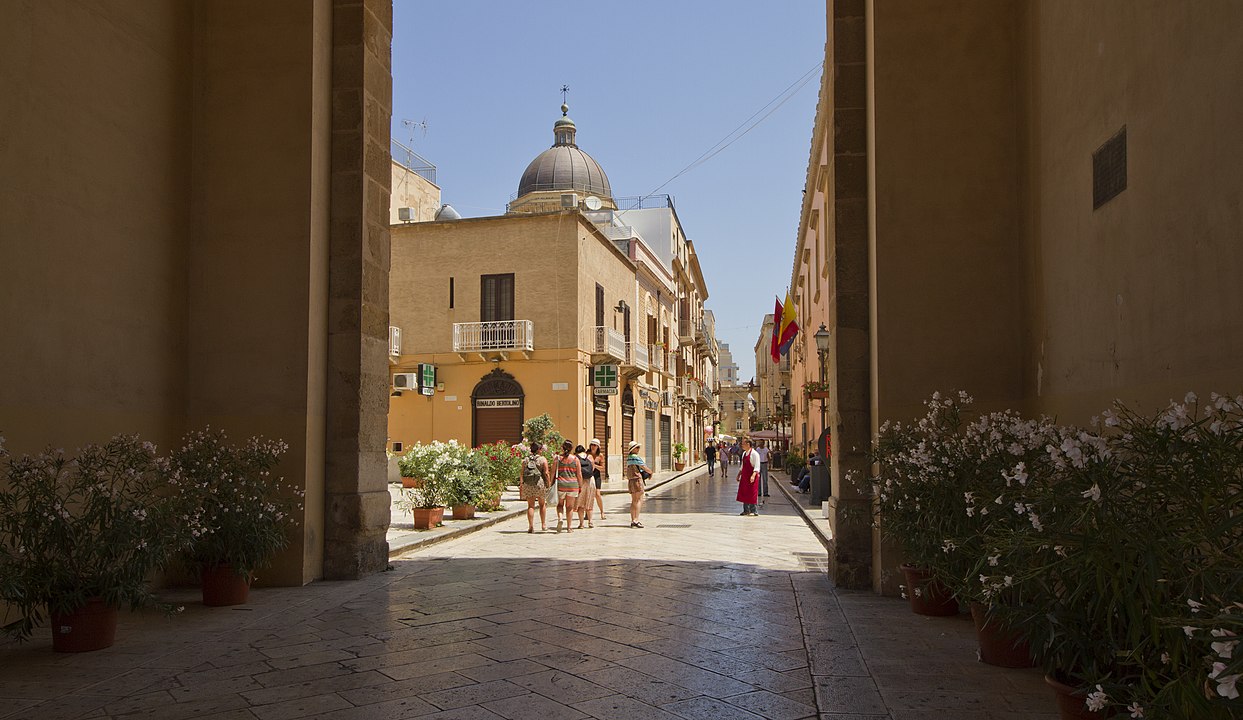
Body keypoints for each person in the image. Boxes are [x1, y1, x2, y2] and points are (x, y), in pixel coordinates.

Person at [519, 441, 551, 533]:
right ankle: (543, 524)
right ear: (539, 450)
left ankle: (531, 526)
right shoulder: (542, 459)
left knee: (530, 506)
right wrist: (548, 484)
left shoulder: (525, 460)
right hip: (539, 483)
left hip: (528, 484)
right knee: (542, 504)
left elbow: (521, 473)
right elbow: (546, 472)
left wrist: (521, 484)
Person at [553, 440, 582, 533]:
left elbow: (552, 472)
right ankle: (569, 527)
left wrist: (550, 483)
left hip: (561, 484)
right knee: (570, 507)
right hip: (573, 485)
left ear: (562, 447)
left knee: (560, 504)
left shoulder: (557, 458)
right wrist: (580, 486)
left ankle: (560, 518)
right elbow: (579, 474)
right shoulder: (575, 459)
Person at [624, 440, 652, 528]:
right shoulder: (636, 457)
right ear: (633, 449)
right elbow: (644, 467)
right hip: (637, 480)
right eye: (637, 447)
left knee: (633, 501)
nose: (638, 449)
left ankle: (633, 520)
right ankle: (636, 520)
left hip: (631, 481)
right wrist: (651, 472)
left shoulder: (628, 458)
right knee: (639, 499)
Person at [737, 437, 761, 516]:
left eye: (743, 444)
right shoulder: (744, 453)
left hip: (752, 476)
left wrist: (753, 476)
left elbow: (757, 466)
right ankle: (746, 510)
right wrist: (739, 474)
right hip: (745, 476)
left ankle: (754, 510)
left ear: (748, 444)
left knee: (752, 493)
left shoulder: (755, 454)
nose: (742, 445)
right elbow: (742, 466)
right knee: (744, 492)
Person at [575, 443, 595, 529]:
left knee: (580, 503)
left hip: (581, 481)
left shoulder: (576, 458)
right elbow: (593, 468)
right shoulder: (590, 457)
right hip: (591, 481)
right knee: (590, 501)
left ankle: (581, 524)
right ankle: (590, 522)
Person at [588, 438, 606, 521]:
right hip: (588, 476)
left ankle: (602, 511)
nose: (593, 446)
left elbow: (602, 468)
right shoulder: (587, 453)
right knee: (588, 494)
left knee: (597, 494)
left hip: (597, 476)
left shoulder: (600, 456)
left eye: (595, 445)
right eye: (592, 445)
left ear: (598, 447)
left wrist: (595, 466)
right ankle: (587, 513)